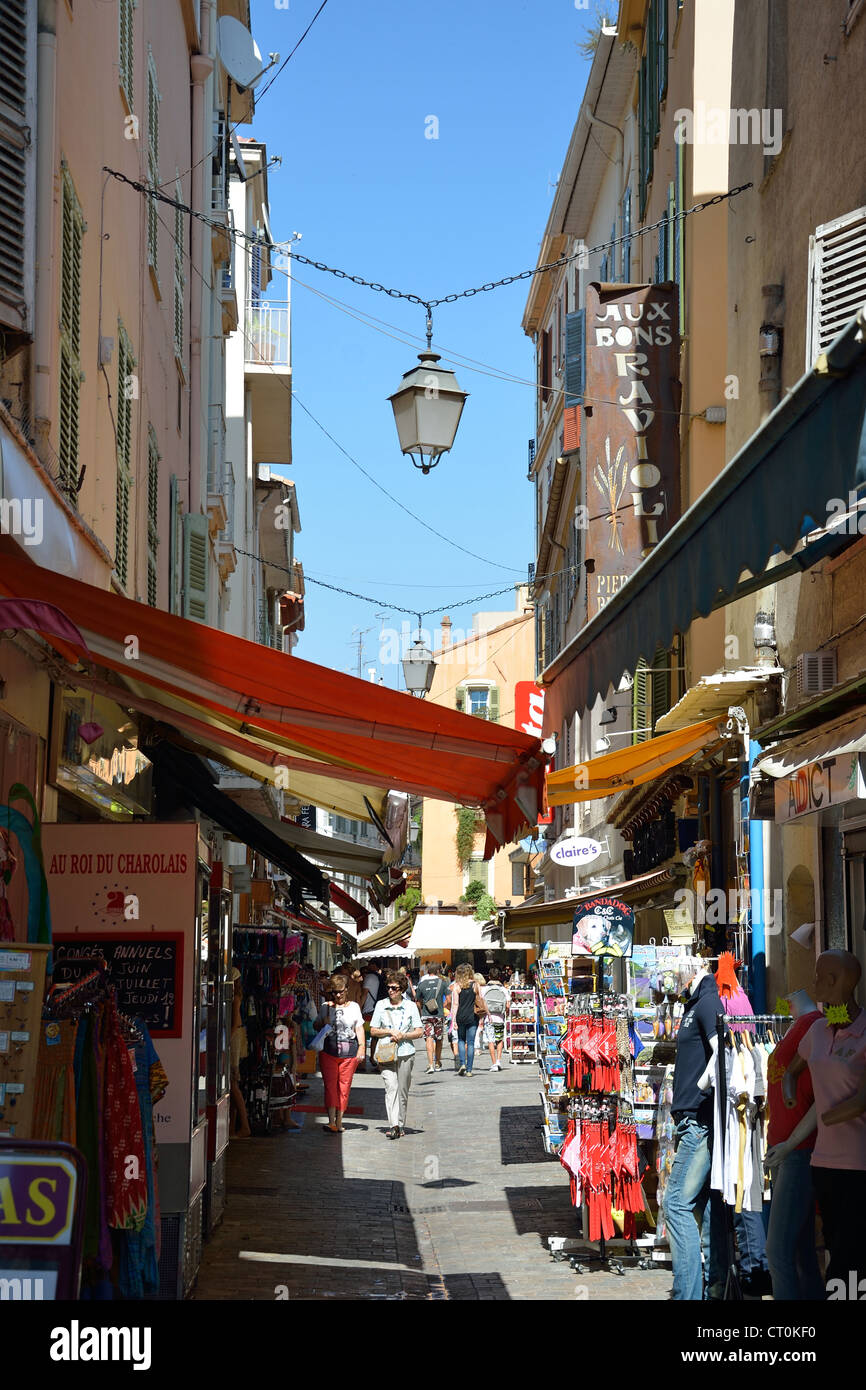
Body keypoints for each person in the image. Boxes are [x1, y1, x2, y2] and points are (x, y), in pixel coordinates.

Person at [782, 949, 866, 1294]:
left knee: (855, 1255)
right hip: (823, 1161)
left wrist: (831, 1114)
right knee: (831, 1248)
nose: (813, 983)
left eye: (819, 977)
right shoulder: (818, 1030)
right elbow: (794, 1069)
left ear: (835, 982)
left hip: (859, 1162)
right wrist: (789, 1089)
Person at [662, 961, 726, 1300]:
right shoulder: (697, 1002)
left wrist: (701, 1086)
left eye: (672, 976)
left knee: (676, 1205)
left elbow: (723, 1052)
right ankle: (709, 1289)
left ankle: (688, 1294)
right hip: (693, 1120)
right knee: (701, 1205)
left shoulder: (707, 1002)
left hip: (698, 1121)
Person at [762, 988, 825, 1301]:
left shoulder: (816, 1026)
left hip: (799, 1151)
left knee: (778, 1252)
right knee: (800, 1252)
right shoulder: (797, 1026)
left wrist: (789, 1146)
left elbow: (822, 1100)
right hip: (785, 1151)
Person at [370, 971, 423, 1139]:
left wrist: (403, 1035)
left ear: (402, 989)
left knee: (402, 1090)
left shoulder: (411, 1006)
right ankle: (393, 1125)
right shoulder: (380, 1005)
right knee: (390, 1087)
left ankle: (400, 1124)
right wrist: (389, 1031)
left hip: (405, 1052)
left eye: (394, 988)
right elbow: (373, 1030)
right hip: (386, 1052)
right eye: (388, 987)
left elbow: (419, 1031)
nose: (390, 991)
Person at [316, 974, 365, 1134]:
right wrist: (322, 1022)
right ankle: (331, 1121)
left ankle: (339, 1120)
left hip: (349, 1053)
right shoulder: (325, 1006)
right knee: (330, 1087)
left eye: (341, 992)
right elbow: (316, 1024)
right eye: (335, 992)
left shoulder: (354, 1007)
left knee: (344, 1088)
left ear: (347, 990)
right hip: (328, 1051)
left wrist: (362, 1048)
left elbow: (359, 1028)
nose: (338, 995)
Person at [453, 962, 487, 1077]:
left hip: (460, 1016)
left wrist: (453, 1020)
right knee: (471, 1042)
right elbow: (481, 1000)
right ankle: (469, 1070)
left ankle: (462, 1063)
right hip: (473, 1017)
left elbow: (455, 1005)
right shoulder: (475, 985)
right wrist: (485, 1016)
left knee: (461, 1040)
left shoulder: (457, 986)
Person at [229, 967, 251, 1138]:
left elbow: (235, 1021)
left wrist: (226, 1040)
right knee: (232, 1083)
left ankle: (244, 1125)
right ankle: (233, 1126)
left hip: (234, 1038)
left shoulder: (235, 997)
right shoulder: (235, 996)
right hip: (236, 1036)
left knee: (233, 1083)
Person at [416, 962, 447, 1073]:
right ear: (438, 971)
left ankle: (430, 1065)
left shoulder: (422, 984)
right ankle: (438, 1062)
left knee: (429, 1038)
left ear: (427, 971)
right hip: (439, 1015)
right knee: (439, 1039)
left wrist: (422, 1009)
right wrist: (443, 1008)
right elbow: (448, 999)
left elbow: (418, 1001)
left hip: (426, 1015)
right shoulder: (442, 983)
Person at [482, 966, 509, 1071]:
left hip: (489, 1019)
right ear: (499, 977)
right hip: (500, 1018)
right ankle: (498, 1061)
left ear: (489, 976)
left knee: (490, 1041)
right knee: (499, 1039)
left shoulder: (485, 989)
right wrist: (505, 1013)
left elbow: (482, 1003)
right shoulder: (503, 989)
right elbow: (507, 1005)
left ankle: (494, 1064)